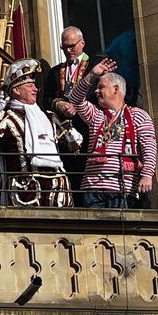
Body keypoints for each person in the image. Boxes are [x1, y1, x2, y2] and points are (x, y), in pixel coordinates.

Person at [68, 57, 157, 208]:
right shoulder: (96, 114)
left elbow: (149, 147)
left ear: (116, 89)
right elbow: (75, 99)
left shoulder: (138, 115)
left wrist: (147, 175)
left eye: (101, 87)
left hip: (123, 188)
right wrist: (92, 76)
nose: (96, 91)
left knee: (119, 231)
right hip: (92, 188)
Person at [0, 59, 78, 208]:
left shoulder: (48, 117)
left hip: (57, 192)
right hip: (25, 192)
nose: (35, 89)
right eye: (30, 86)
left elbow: (71, 148)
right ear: (16, 90)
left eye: (35, 85)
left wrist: (72, 136)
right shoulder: (6, 118)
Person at [43, 26, 102, 199]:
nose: (68, 51)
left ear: (82, 43)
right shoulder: (55, 71)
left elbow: (102, 94)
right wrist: (59, 104)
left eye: (72, 46)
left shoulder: (96, 65)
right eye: (64, 48)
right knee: (70, 172)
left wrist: (79, 105)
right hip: (65, 133)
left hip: (89, 128)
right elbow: (46, 99)